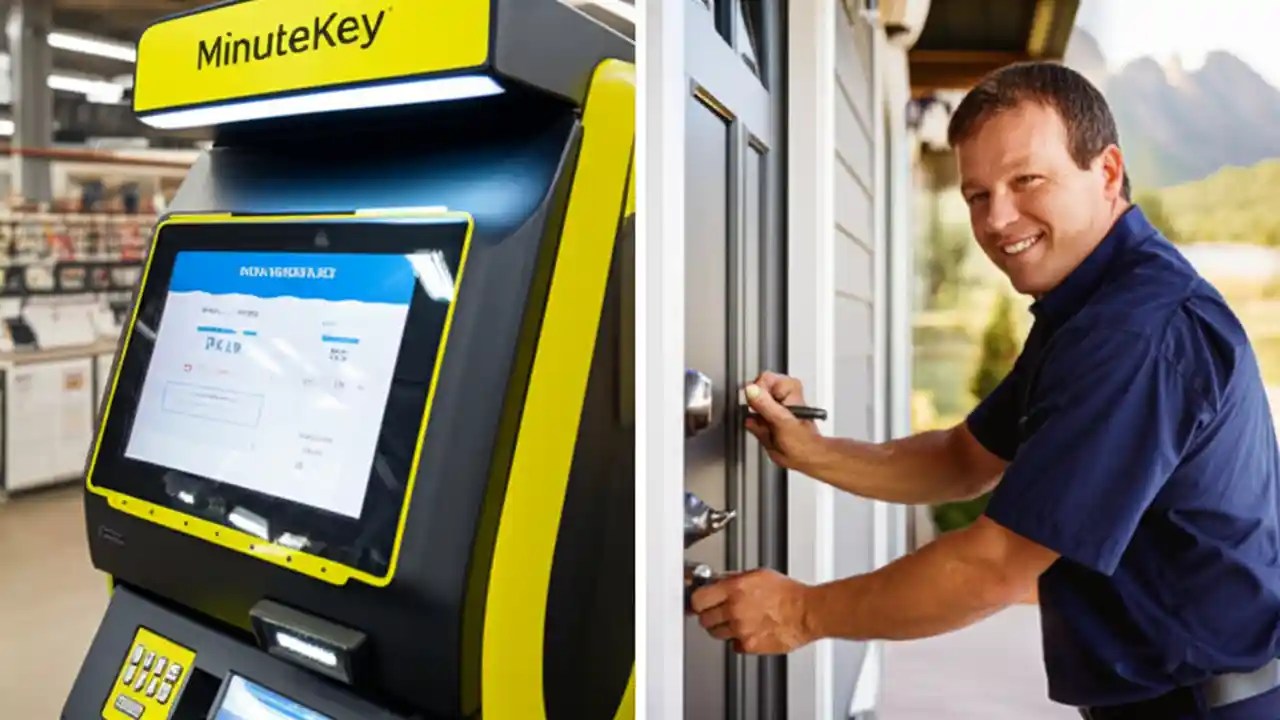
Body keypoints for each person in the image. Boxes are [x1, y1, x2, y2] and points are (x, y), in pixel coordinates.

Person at [689, 61, 1280, 719]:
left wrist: (801, 613)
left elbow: (997, 564)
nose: (998, 219)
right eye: (977, 194)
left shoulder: (1135, 331)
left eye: (1027, 179)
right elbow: (962, 459)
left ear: (1107, 172)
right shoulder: (1089, 307)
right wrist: (810, 450)